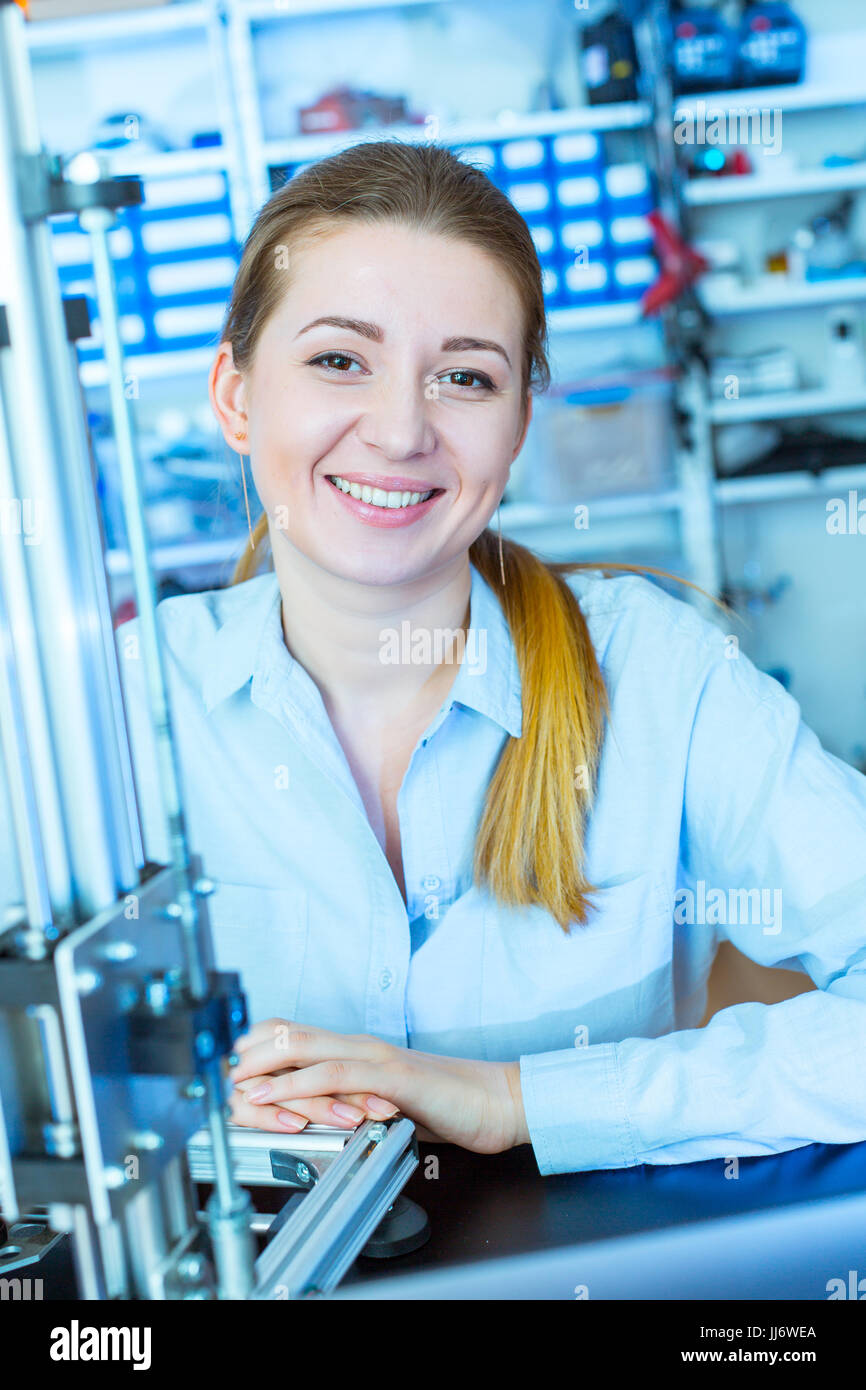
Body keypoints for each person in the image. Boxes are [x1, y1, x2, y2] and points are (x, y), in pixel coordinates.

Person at [116, 140, 866, 1176]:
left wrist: (517, 1099)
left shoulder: (656, 677)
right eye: (340, 359)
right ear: (237, 395)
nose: (397, 430)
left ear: (517, 427)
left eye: (463, 377)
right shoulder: (110, 710)